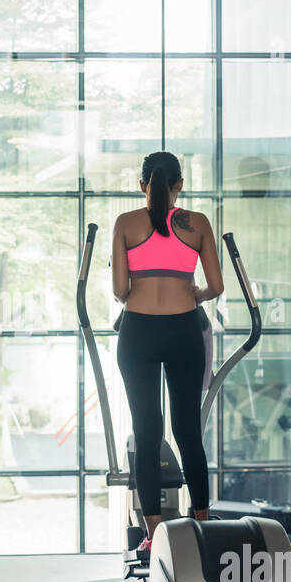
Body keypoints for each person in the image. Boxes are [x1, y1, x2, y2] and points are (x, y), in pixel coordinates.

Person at [111, 150, 224, 546]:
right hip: (183, 331)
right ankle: (203, 523)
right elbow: (216, 286)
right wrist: (193, 291)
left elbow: (120, 291)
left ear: (143, 185)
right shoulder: (197, 224)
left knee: (147, 432)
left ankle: (154, 534)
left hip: (138, 332)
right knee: (188, 432)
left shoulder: (125, 223)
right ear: (179, 185)